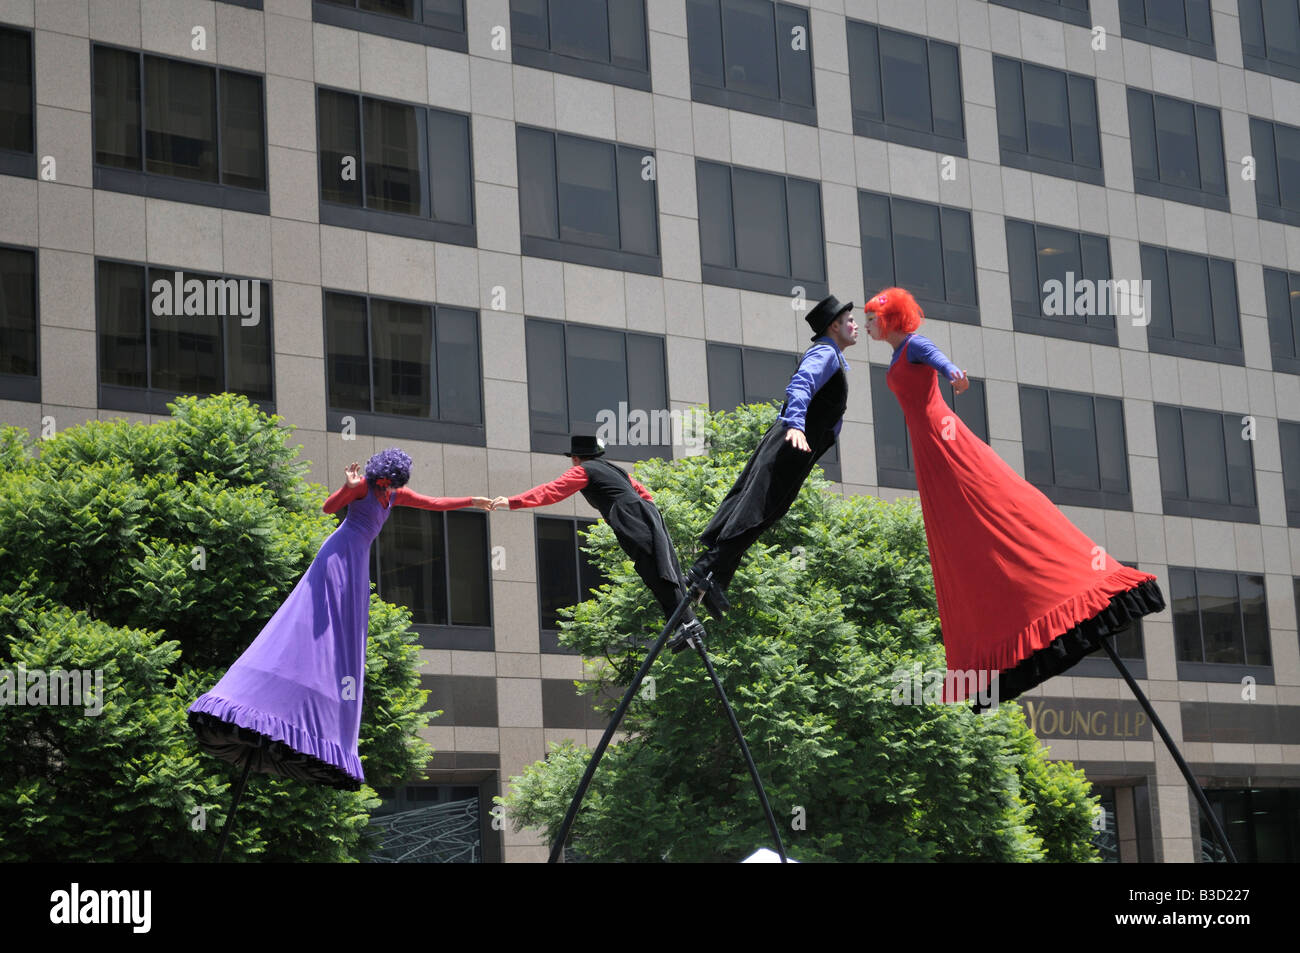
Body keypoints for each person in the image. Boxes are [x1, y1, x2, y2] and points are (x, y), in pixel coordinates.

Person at [863, 287, 1165, 707]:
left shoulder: (914, 345)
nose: (867, 324)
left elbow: (938, 359)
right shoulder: (895, 356)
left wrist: (954, 373)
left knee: (988, 497)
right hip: (926, 447)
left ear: (891, 318)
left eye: (873, 317)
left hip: (940, 433)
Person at [188, 448, 493, 790]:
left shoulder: (395, 494)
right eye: (383, 481)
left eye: (390, 483)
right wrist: (349, 488)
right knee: (322, 614)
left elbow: (435, 503)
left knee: (347, 625)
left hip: (357, 561)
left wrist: (473, 501)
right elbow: (328, 508)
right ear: (378, 474)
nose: (385, 487)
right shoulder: (363, 486)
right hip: (338, 553)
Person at [685, 294, 858, 618]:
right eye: (849, 320)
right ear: (834, 326)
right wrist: (795, 424)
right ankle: (706, 569)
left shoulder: (832, 356)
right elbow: (801, 384)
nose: (855, 325)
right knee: (756, 508)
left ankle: (713, 578)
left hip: (795, 447)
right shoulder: (825, 353)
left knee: (760, 509)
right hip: (791, 443)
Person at [490, 435, 705, 648]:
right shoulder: (615, 470)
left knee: (654, 571)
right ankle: (684, 625)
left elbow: (552, 491)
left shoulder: (583, 470)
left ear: (576, 458)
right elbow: (645, 494)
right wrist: (644, 515)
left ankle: (688, 624)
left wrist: (512, 501)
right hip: (649, 515)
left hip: (633, 518)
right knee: (665, 569)